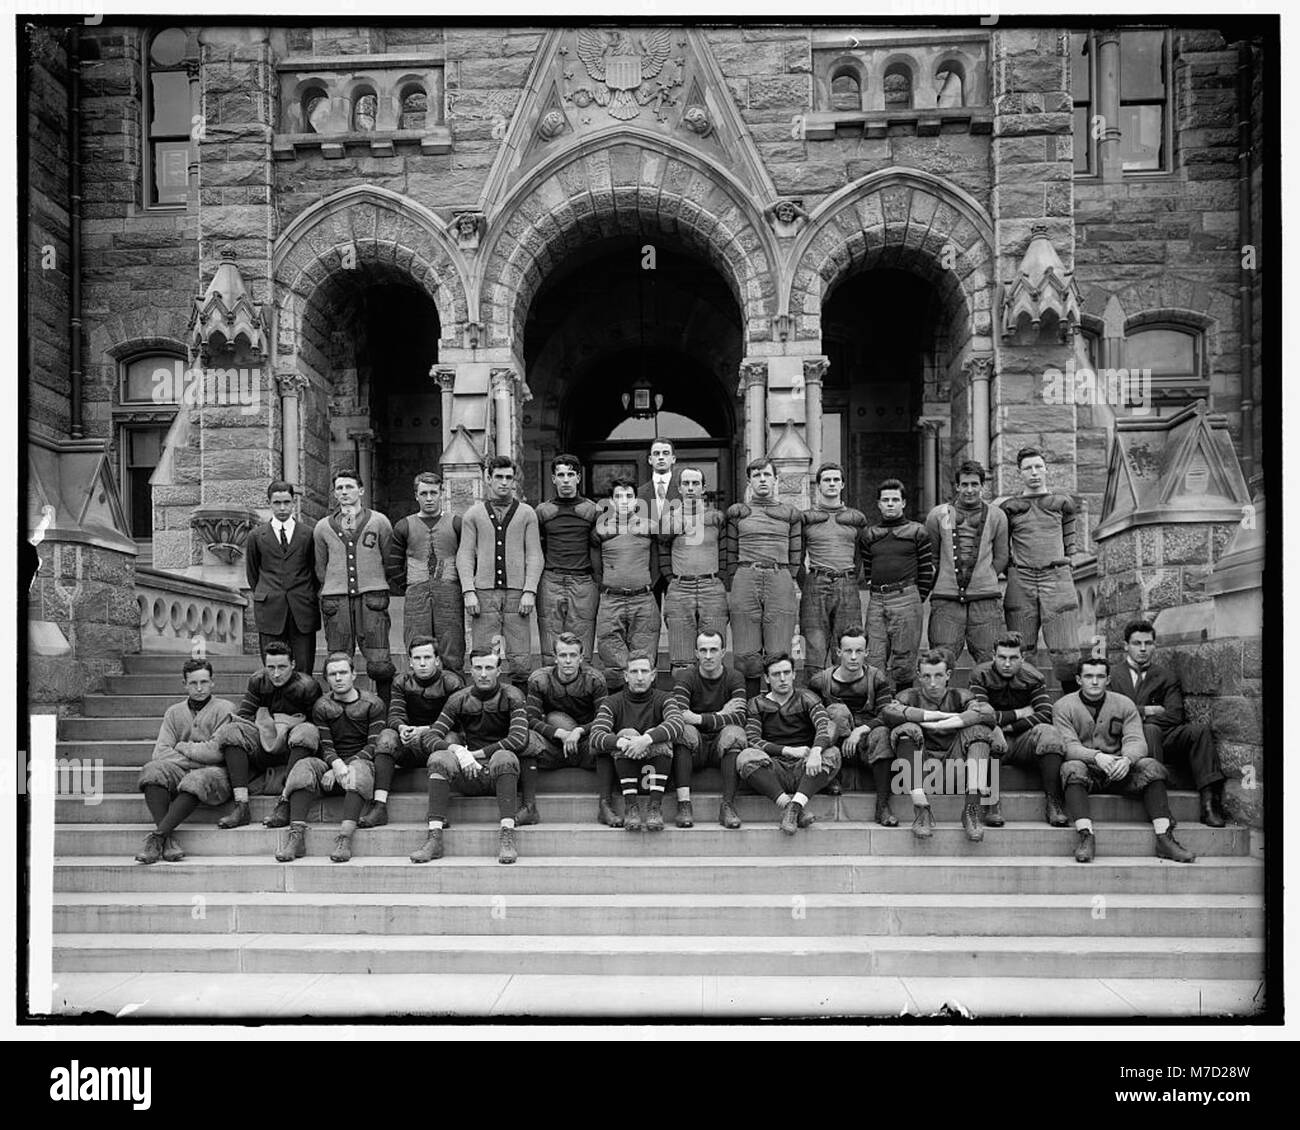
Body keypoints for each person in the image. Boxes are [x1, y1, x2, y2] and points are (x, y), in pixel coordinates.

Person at [1054, 656, 1195, 864]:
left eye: (1100, 676)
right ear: (1078, 680)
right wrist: (1096, 757)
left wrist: (1127, 760)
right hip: (1088, 771)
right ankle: (1085, 836)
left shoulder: (1124, 704)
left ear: (1108, 679)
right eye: (1089, 676)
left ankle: (1164, 838)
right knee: (1071, 767)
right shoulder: (1063, 706)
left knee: (1151, 766)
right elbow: (1068, 746)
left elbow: (1137, 741)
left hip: (1119, 771)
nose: (1094, 682)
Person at [409, 648, 529, 865]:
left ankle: (507, 835)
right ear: (470, 671)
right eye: (478, 668)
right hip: (467, 773)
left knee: (505, 756)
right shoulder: (459, 699)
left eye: (489, 668)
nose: (483, 674)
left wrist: (476, 754)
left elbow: (519, 738)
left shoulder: (512, 696)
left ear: (499, 671)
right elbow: (431, 737)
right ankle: (434, 837)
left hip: (499, 774)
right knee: (440, 758)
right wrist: (459, 751)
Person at [1110, 620, 1228, 827]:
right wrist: (1146, 710)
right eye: (1137, 643)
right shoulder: (1112, 676)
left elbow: (1174, 715)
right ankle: (1159, 805)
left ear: (1155, 645)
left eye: (1148, 643)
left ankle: (1209, 802)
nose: (1143, 649)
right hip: (1123, 739)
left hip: (1162, 738)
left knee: (1198, 731)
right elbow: (1110, 714)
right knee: (1150, 728)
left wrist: (1132, 714)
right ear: (1125, 645)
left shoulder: (1166, 676)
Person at [274, 652, 386, 863]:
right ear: (326, 678)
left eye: (343, 672)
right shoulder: (322, 706)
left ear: (354, 674)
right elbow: (325, 745)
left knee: (359, 770)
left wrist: (344, 767)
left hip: (361, 763)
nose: (339, 678)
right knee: (303, 766)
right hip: (329, 766)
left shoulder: (374, 703)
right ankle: (296, 837)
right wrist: (334, 765)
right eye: (333, 674)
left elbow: (373, 745)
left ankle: (345, 838)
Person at [880, 649, 995, 842]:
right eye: (926, 676)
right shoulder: (907, 696)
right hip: (919, 769)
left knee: (980, 731)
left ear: (948, 674)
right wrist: (931, 717)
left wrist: (949, 722)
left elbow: (987, 713)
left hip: (956, 766)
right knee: (905, 729)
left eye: (938, 675)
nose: (932, 683)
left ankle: (971, 811)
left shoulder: (962, 696)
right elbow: (889, 712)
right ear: (918, 676)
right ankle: (921, 809)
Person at [134, 659, 236, 864]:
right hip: (189, 770)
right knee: (152, 770)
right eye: (193, 683)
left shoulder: (226, 709)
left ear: (212, 682)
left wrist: (182, 747)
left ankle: (157, 838)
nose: (199, 688)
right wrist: (197, 759)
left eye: (204, 682)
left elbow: (216, 753)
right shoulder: (174, 712)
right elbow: (160, 752)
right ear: (184, 684)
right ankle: (166, 838)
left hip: (216, 776)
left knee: (197, 778)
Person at [456, 455, 543, 689]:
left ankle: (521, 709)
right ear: (488, 478)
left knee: (521, 658)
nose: (504, 482)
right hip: (484, 593)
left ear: (514, 481)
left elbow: (534, 554)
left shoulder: (526, 513)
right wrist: (468, 591)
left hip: (517, 593)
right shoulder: (474, 514)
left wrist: (529, 590)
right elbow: (465, 554)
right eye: (499, 477)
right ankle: (485, 705)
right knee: (484, 653)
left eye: (509, 477)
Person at [313, 467, 399, 707]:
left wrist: (376, 583)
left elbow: (388, 557)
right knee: (338, 657)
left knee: (380, 660)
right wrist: (334, 583)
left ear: (360, 490)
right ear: (334, 493)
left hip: (372, 598)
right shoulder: (322, 527)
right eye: (339, 488)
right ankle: (337, 710)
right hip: (336, 600)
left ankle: (385, 710)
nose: (344, 492)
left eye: (349, 486)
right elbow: (320, 567)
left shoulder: (379, 522)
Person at [1000, 446, 1082, 693]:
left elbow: (1070, 535)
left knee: (1066, 649)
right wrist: (1011, 570)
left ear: (1046, 470)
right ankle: (1029, 701)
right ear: (1019, 473)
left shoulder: (1061, 503)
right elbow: (1002, 546)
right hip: (1022, 578)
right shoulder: (1010, 507)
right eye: (1028, 468)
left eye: (1038, 467)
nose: (1034, 473)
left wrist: (1068, 559)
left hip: (1055, 577)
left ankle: (1071, 701)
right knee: (1022, 649)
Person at [214, 641, 322, 829]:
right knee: (231, 730)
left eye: (282, 667)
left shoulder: (308, 686)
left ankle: (285, 802)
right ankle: (241, 805)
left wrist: (286, 724)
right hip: (263, 742)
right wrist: (267, 726)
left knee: (307, 731)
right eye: (271, 667)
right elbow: (245, 715)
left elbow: (318, 724)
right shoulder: (258, 681)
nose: (276, 674)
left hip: (294, 749)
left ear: (293, 664)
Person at [967, 631, 1069, 827]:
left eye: (1013, 658)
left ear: (1022, 658)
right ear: (993, 656)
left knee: (1049, 733)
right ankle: (992, 803)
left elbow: (1045, 713)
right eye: (1002, 657)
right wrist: (1020, 712)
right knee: (982, 734)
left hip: (1022, 739)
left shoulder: (1033, 677)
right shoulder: (980, 675)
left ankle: (1054, 803)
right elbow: (981, 714)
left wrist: (1009, 725)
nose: (1007, 663)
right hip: (993, 738)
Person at [364, 635, 465, 828]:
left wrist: (425, 730)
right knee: (386, 737)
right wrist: (402, 728)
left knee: (452, 738)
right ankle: (379, 806)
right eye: (417, 659)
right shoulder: (401, 681)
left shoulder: (452, 682)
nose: (422, 663)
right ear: (410, 661)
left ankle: (438, 812)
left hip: (438, 741)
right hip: (410, 745)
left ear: (437, 660)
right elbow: (394, 715)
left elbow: (458, 721)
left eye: (427, 658)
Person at [723, 457, 803, 697]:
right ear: (749, 481)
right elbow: (729, 552)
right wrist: (736, 580)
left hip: (779, 576)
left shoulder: (790, 514)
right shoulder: (738, 513)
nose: (762, 480)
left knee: (779, 648)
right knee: (747, 651)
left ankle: (780, 706)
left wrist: (787, 579)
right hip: (746, 575)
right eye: (757, 476)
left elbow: (796, 554)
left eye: (767, 475)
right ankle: (750, 707)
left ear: (776, 479)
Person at [737, 652, 840, 834]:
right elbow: (753, 739)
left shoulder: (807, 698)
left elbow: (823, 725)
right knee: (745, 757)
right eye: (776, 674)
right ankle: (789, 806)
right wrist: (788, 751)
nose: (783, 679)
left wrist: (816, 751)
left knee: (833, 754)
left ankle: (794, 806)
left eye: (786, 672)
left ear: (794, 674)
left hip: (807, 768)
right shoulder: (757, 704)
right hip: (774, 770)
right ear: (767, 678)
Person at [523, 632, 620, 826]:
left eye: (573, 655)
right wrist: (558, 733)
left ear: (581, 657)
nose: (568, 661)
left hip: (584, 743)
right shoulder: (539, 679)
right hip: (553, 744)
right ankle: (529, 806)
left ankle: (605, 805)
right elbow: (530, 718)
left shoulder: (594, 679)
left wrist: (579, 731)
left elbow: (604, 717)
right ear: (555, 657)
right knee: (526, 739)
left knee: (607, 740)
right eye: (563, 655)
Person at [589, 650, 686, 832]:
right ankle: (630, 807)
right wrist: (625, 742)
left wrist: (646, 740)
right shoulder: (612, 702)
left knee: (658, 735)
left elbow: (677, 723)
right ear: (626, 676)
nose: (639, 677)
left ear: (653, 675)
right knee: (626, 734)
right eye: (634, 672)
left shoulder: (665, 699)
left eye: (644, 671)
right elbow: (596, 734)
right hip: (625, 778)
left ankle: (655, 808)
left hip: (659, 777)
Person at [925, 460, 1009, 665]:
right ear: (957, 486)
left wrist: (984, 576)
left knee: (989, 659)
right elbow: (933, 556)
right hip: (947, 597)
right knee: (941, 658)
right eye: (964, 484)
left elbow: (1001, 556)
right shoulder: (938, 514)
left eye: (974, 484)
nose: (969, 490)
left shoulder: (997, 516)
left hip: (985, 598)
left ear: (982, 486)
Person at [808, 625, 895, 822]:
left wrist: (861, 730)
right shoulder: (821, 681)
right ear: (838, 652)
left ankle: (883, 806)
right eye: (848, 651)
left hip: (866, 744)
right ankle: (831, 777)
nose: (854, 657)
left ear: (867, 652)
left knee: (882, 733)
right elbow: (810, 717)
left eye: (859, 651)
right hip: (835, 746)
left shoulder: (876, 678)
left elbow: (887, 713)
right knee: (836, 713)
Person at [860, 478, 933, 693]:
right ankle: (876, 707)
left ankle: (904, 705)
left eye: (895, 499)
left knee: (904, 658)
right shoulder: (869, 535)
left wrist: (915, 599)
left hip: (907, 597)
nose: (890, 504)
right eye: (885, 500)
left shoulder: (918, 532)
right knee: (873, 656)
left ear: (903, 503)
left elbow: (927, 570)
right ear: (878, 504)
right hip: (877, 601)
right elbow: (868, 568)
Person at [388, 471, 465, 672]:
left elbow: (467, 557)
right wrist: (409, 585)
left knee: (452, 648)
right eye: (424, 493)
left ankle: (454, 696)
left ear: (441, 493)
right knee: (418, 645)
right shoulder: (404, 525)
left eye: (433, 492)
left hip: (450, 591)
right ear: (416, 495)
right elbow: (393, 563)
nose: (429, 498)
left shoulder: (456, 523)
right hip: (416, 592)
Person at [670, 629, 748, 829]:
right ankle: (684, 804)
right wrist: (721, 714)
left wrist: (697, 718)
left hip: (720, 747)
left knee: (734, 733)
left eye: (713, 650)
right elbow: (679, 714)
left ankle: (728, 806)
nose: (708, 656)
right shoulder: (686, 677)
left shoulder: (735, 677)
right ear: (696, 653)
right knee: (683, 730)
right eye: (703, 650)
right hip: (694, 747)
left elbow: (739, 717)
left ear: (723, 652)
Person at [799, 462, 867, 677]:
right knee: (815, 647)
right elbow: (797, 558)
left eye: (836, 479)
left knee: (848, 644)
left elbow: (860, 556)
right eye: (826, 480)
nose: (831, 483)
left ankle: (846, 699)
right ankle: (814, 702)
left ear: (843, 484)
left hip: (846, 582)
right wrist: (809, 582)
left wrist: (849, 579)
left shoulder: (856, 518)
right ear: (818, 485)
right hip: (816, 582)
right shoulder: (806, 518)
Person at [659, 465, 728, 675]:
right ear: (679, 488)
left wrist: (721, 580)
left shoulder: (716, 517)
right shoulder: (669, 519)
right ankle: (681, 705)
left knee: (713, 652)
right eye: (686, 483)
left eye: (695, 483)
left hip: (711, 587)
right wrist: (672, 579)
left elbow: (725, 552)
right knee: (681, 659)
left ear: (703, 488)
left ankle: (713, 704)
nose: (690, 488)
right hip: (681, 588)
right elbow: (662, 552)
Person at [245, 480, 319, 676]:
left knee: (304, 667)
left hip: (301, 609)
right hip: (270, 609)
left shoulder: (309, 534)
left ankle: (303, 705)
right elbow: (253, 574)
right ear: (269, 503)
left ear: (293, 502)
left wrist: (306, 593)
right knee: (274, 669)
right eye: (277, 503)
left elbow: (315, 570)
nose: (282, 508)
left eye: (287, 502)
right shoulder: (256, 536)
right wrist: (268, 592)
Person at [593, 477, 660, 692]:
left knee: (645, 658)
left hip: (643, 598)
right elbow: (596, 565)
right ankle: (616, 706)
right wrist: (607, 584)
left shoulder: (649, 526)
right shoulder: (601, 529)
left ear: (636, 500)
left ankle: (647, 708)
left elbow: (657, 562)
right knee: (611, 657)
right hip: (611, 599)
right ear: (611, 501)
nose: (624, 501)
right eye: (618, 496)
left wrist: (647, 584)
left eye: (629, 496)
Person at [535, 453, 602, 660]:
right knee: (549, 644)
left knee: (581, 643)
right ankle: (548, 687)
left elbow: (601, 546)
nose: (566, 480)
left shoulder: (593, 510)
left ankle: (582, 689)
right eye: (560, 475)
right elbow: (535, 546)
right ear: (553, 478)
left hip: (583, 581)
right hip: (551, 580)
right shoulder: (543, 511)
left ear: (578, 478)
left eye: (570, 474)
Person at [636, 437, 680, 609]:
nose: (661, 457)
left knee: (679, 624)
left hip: (677, 567)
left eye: (665, 453)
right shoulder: (639, 494)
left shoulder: (683, 491)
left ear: (673, 459)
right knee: (648, 626)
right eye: (656, 454)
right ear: (650, 459)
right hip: (649, 567)